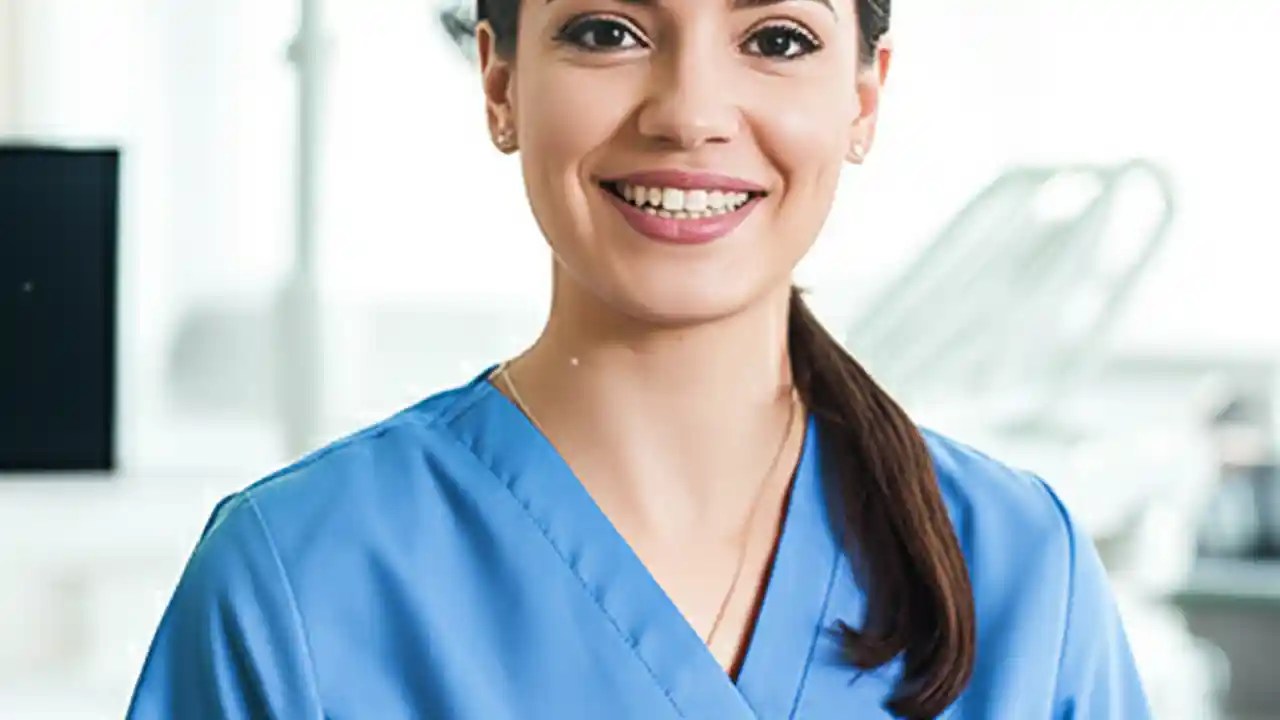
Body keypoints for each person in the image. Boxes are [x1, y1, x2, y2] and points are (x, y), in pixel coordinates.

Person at [126, 0, 1152, 717]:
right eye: (606, 31)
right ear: (500, 83)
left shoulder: (1020, 570)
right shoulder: (303, 575)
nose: (689, 113)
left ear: (863, 100)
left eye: (777, 39)